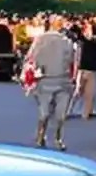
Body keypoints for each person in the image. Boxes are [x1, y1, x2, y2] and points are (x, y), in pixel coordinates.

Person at [26, 17, 77, 150]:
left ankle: (43, 137)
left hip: (50, 79)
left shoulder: (41, 40)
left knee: (45, 113)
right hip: (59, 80)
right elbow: (73, 61)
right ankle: (54, 138)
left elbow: (30, 58)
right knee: (59, 114)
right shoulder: (66, 41)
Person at [72, 22, 96, 119]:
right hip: (84, 68)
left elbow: (92, 43)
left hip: (92, 69)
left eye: (88, 29)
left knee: (89, 92)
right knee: (79, 90)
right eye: (85, 29)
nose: (87, 31)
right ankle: (69, 110)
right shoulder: (82, 41)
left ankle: (86, 113)